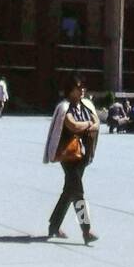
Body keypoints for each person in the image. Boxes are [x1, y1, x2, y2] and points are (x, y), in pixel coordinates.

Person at [43, 75, 100, 244]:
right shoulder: (64, 107)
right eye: (78, 87)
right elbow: (72, 125)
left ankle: (54, 225)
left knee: (69, 191)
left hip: (83, 155)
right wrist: (88, 124)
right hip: (68, 156)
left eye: (83, 87)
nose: (82, 90)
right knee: (78, 193)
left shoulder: (86, 105)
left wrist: (88, 124)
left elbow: (97, 123)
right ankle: (86, 230)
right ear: (70, 90)